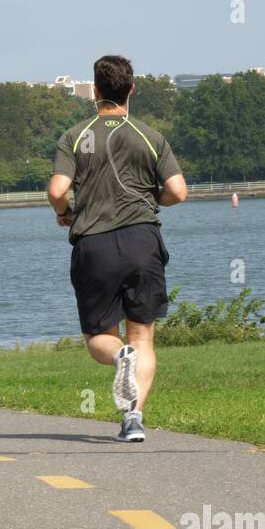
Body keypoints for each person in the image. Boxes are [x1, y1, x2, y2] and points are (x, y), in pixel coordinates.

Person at [47, 55, 188, 443]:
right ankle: (134, 419)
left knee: (99, 337)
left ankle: (117, 358)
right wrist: (153, 199)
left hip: (94, 243)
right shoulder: (149, 136)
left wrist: (66, 213)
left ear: (95, 91)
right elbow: (178, 191)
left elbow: (58, 190)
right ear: (131, 89)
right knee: (142, 336)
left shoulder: (75, 135)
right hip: (143, 239)